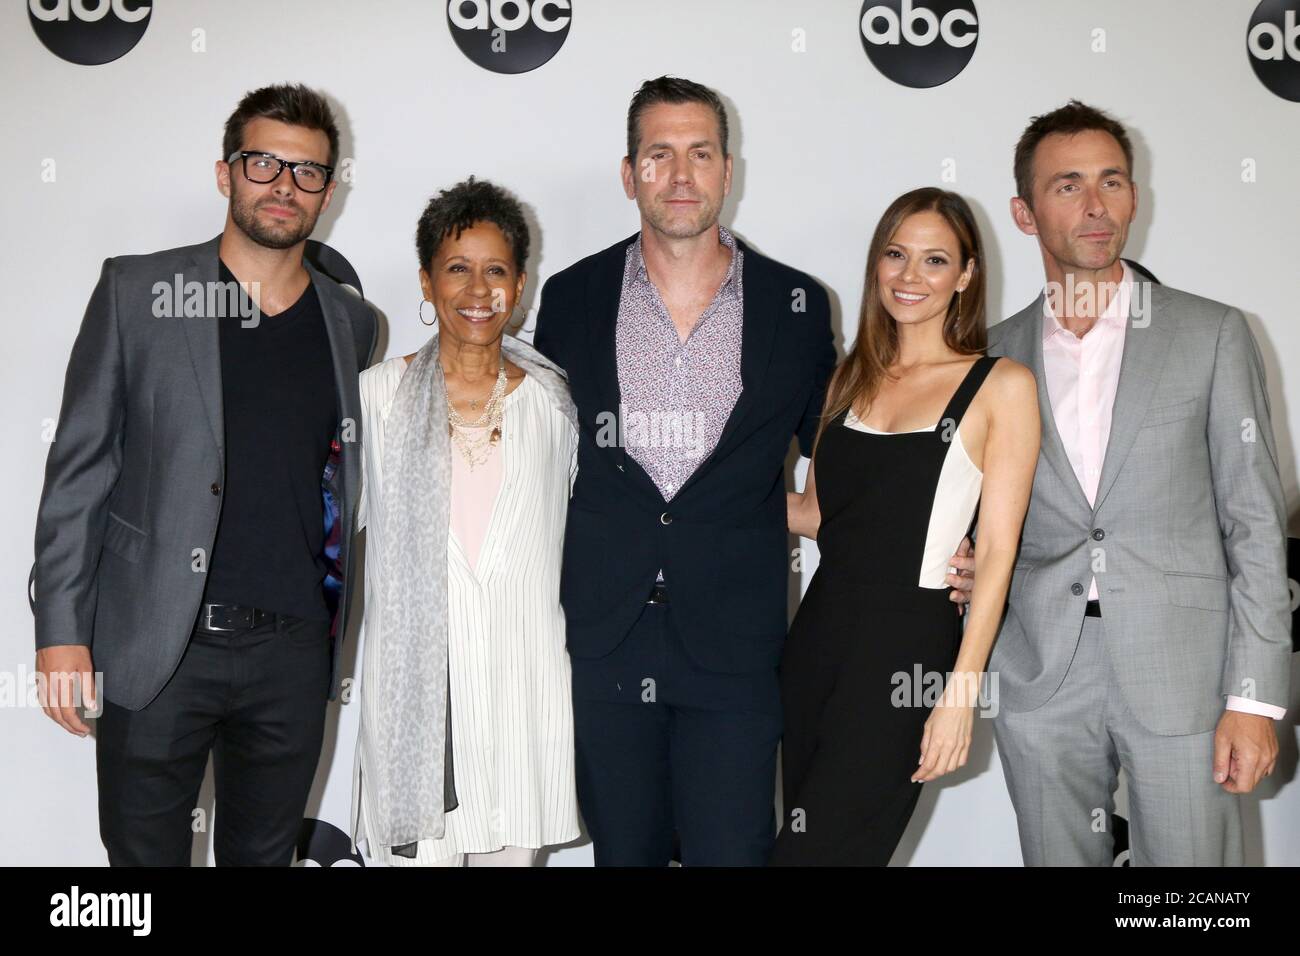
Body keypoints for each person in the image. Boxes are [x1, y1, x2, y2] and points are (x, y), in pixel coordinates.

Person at [533, 76, 979, 866]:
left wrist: (954, 541)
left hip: (736, 648)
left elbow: (851, 468)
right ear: (629, 171)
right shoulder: (571, 297)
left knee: (734, 854)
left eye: (700, 153)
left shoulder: (796, 306)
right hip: (606, 638)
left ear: (727, 172)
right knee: (622, 854)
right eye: (659, 154)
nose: (680, 174)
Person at [32, 84, 377, 865]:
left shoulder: (350, 324)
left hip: (291, 656)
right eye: (264, 163)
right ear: (226, 173)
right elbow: (78, 472)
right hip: (159, 646)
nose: (284, 186)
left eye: (308, 171)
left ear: (330, 188)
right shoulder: (139, 293)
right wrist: (60, 633)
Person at [987, 100, 1291, 865]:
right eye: (1068, 186)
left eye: (1113, 181)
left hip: (1183, 673)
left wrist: (1253, 698)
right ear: (1025, 213)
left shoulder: (1212, 333)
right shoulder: (991, 357)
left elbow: (1254, 522)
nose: (1097, 207)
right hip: (1040, 676)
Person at [772, 189, 1039, 865]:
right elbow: (814, 516)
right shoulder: (846, 381)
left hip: (907, 654)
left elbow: (1000, 550)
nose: (910, 276)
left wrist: (960, 692)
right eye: (895, 255)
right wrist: (708, 482)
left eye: (934, 259)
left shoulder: (1000, 385)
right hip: (816, 644)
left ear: (966, 276)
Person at [351, 178, 581, 867]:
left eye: (496, 270)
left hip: (523, 701)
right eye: (457, 268)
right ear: (425, 282)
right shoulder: (376, 397)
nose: (477, 289)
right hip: (416, 716)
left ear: (521, 283)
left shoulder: (555, 403)